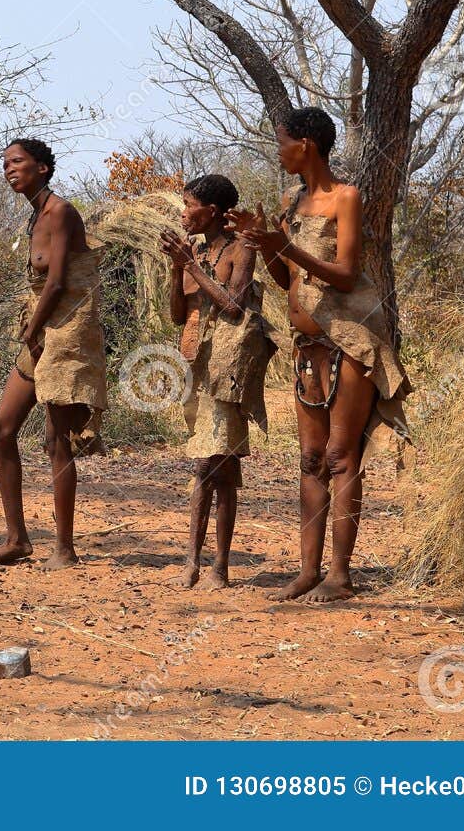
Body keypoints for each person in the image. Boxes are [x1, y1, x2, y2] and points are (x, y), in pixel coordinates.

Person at [230, 107, 411, 602]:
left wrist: (283, 247)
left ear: (306, 144)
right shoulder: (291, 201)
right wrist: (264, 242)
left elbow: (347, 273)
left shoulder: (345, 197)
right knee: (310, 457)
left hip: (350, 340)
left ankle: (340, 575)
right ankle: (308, 570)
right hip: (307, 344)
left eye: (282, 141)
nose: (279, 150)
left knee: (339, 455)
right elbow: (286, 278)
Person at [0, 138, 108, 569]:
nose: (9, 170)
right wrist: (33, 334)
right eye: (5, 164)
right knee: (3, 427)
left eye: (17, 162)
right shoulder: (35, 215)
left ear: (42, 167)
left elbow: (56, 285)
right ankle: (17, 538)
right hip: (40, 334)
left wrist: (32, 334)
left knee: (58, 441)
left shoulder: (60, 212)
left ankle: (64, 548)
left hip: (65, 334)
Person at [159, 174, 276, 590]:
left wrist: (190, 265)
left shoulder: (240, 247)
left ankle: (210, 565)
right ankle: (202, 564)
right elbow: (178, 315)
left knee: (210, 464)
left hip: (226, 368)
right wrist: (178, 270)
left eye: (188, 204)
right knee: (214, 467)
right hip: (195, 365)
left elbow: (232, 305)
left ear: (210, 211)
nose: (183, 212)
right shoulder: (193, 251)